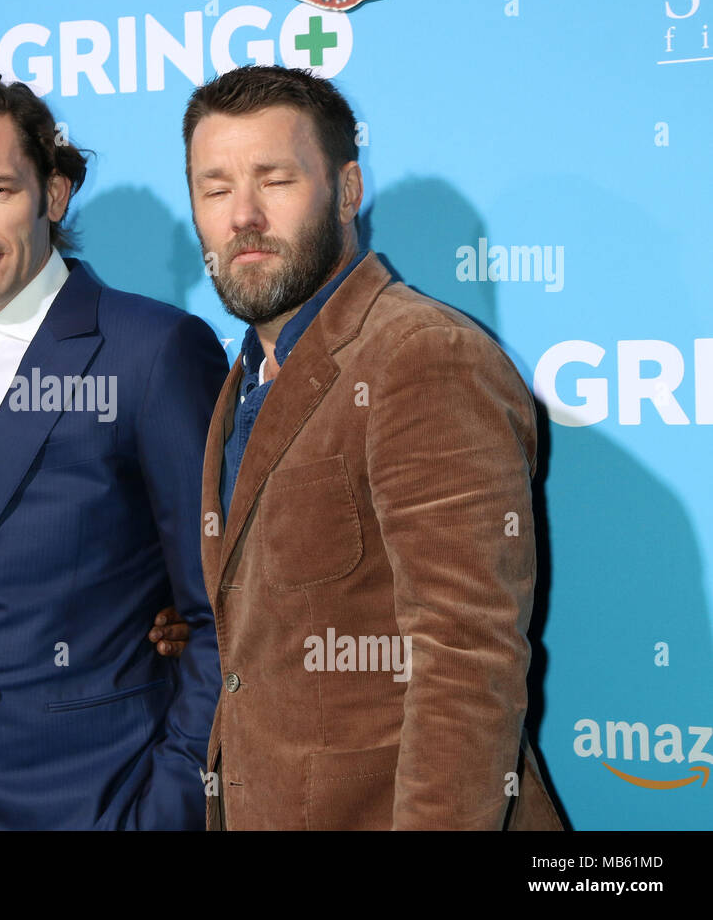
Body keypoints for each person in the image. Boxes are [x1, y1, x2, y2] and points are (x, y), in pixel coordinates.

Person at [183, 65, 562, 830]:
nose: (243, 217)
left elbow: (466, 665)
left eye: (276, 180)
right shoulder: (246, 378)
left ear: (348, 191)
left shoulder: (421, 356)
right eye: (215, 188)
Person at [0, 69, 227, 829]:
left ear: (54, 194)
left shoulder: (152, 348)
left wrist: (168, 806)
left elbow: (223, 614)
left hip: (89, 798)